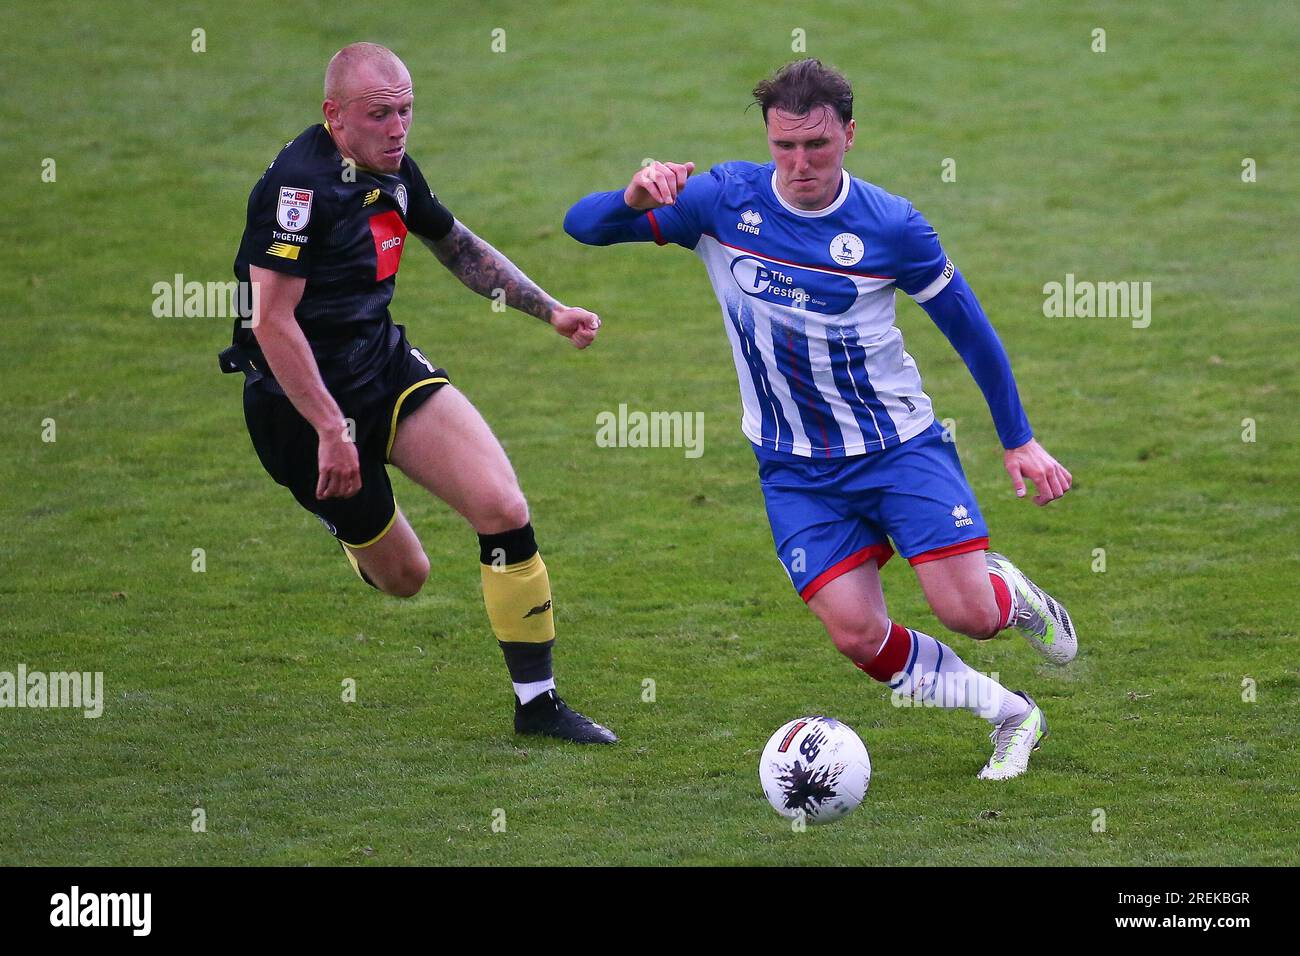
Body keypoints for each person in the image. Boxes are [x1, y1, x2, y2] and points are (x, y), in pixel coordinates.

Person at [564, 58, 1077, 778]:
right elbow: (581, 226)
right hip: (794, 467)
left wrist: (1018, 439)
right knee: (857, 633)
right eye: (785, 147)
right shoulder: (720, 199)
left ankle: (1010, 594)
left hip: (897, 449)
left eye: (818, 147)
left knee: (971, 616)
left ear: (850, 136)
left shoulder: (892, 226)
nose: (800, 164)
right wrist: (631, 197)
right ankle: (1011, 716)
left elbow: (972, 331)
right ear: (768, 140)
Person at [221, 42, 614, 743]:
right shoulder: (299, 193)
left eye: (406, 110)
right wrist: (332, 432)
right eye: (380, 114)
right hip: (297, 406)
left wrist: (548, 309)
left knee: (502, 505)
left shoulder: (390, 169)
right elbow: (271, 321)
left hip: (382, 367)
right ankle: (343, 520)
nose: (398, 128)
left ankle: (539, 706)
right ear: (334, 116)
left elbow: (454, 243)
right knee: (406, 577)